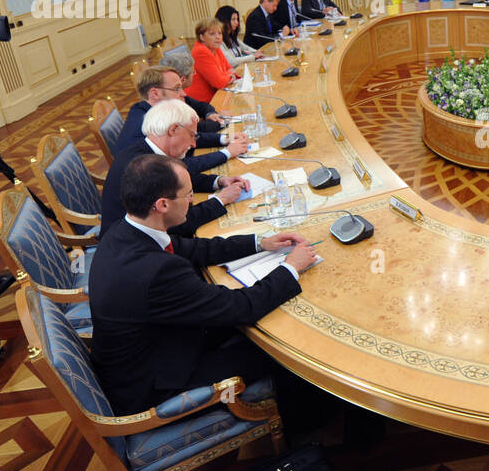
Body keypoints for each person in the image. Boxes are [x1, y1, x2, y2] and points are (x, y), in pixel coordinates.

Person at [89, 154, 320, 416]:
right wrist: (290, 268)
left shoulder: (127, 229)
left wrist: (260, 243)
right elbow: (240, 307)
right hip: (155, 383)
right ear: (162, 204)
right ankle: (311, 430)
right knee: (285, 355)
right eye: (187, 194)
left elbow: (194, 248)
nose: (192, 200)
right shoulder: (157, 272)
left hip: (156, 344)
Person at [99, 99, 248, 238]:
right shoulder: (146, 168)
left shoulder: (144, 149)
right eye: (192, 135)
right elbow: (177, 224)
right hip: (132, 245)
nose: (194, 144)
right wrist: (221, 200)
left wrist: (219, 181)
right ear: (174, 129)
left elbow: (176, 180)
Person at [186, 17, 237, 103]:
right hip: (202, 102)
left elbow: (230, 69)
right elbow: (219, 83)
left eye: (219, 33)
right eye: (212, 34)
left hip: (217, 94)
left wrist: (225, 75)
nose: (218, 37)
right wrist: (229, 75)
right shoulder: (201, 52)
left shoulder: (215, 47)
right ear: (202, 37)